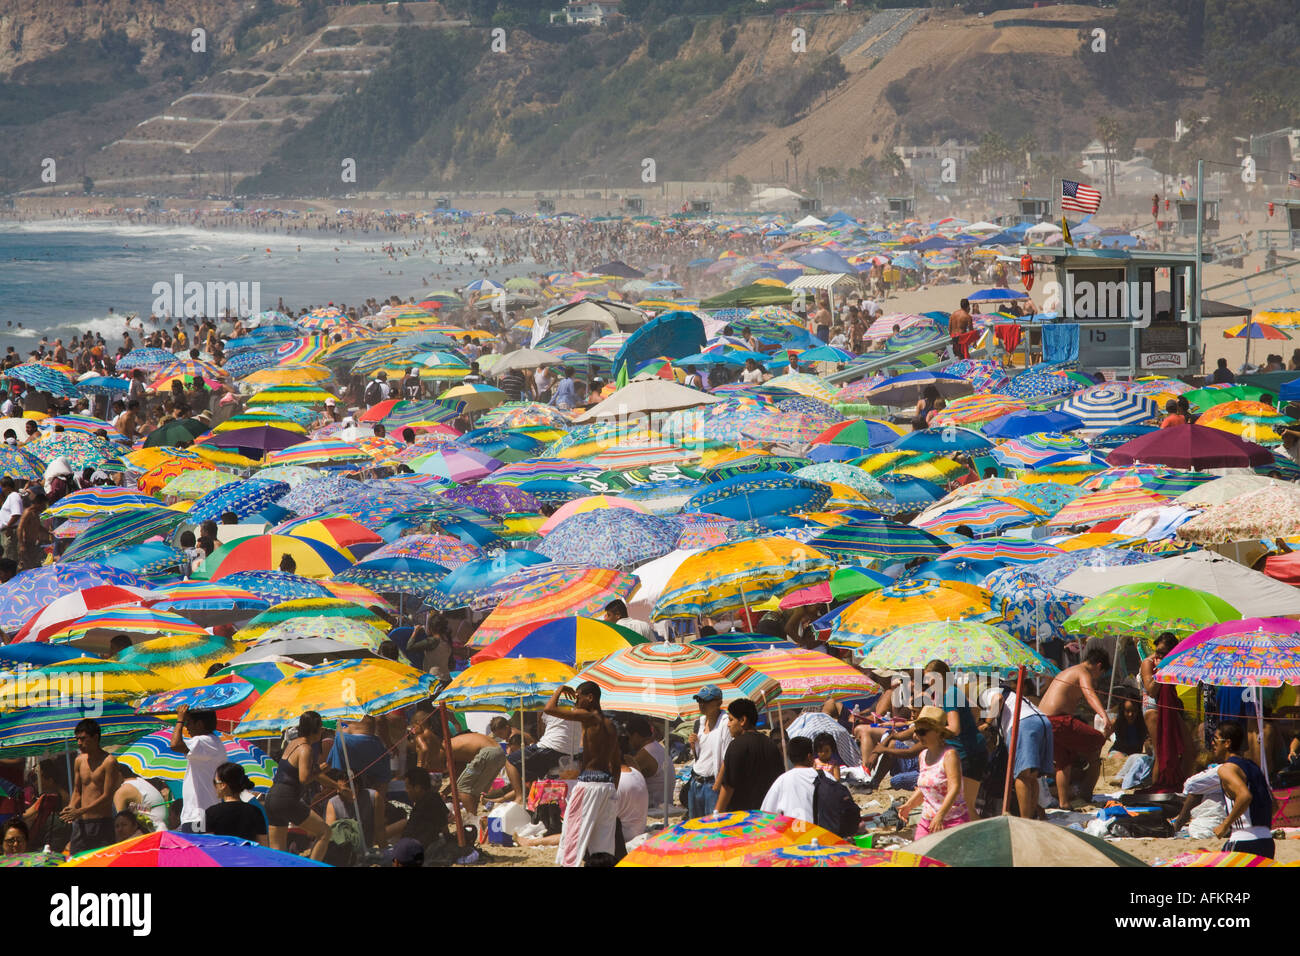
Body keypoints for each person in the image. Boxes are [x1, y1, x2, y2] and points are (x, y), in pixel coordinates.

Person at [542, 681, 621, 867]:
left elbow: (549, 709)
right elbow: (616, 765)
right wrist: (612, 791)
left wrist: (560, 689)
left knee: (573, 837)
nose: (575, 702)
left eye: (578, 697)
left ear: (590, 698)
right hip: (608, 786)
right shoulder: (611, 725)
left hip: (590, 783)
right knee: (603, 845)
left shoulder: (587, 716)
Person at [1038, 648, 1112, 809]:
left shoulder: (1069, 671)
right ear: (1099, 666)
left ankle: (1064, 803)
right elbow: (1089, 694)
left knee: (1063, 762)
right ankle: (1085, 793)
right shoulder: (1082, 672)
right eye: (1101, 673)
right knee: (1098, 739)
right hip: (1057, 720)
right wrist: (1104, 716)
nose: (1097, 678)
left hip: (1045, 721)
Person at [265, 711, 334, 861]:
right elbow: (304, 778)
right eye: (321, 727)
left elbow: (300, 771)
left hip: (272, 797)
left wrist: (334, 784)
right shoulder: (306, 748)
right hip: (286, 798)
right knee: (324, 832)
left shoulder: (293, 744)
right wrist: (321, 770)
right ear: (315, 730)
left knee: (278, 851)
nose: (322, 731)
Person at [897, 706, 970, 837]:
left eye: (923, 731)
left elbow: (955, 787)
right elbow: (925, 787)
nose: (918, 735)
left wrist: (940, 815)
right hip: (927, 820)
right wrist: (909, 804)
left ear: (937, 732)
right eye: (917, 731)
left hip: (952, 821)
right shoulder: (923, 755)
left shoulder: (949, 754)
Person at [1213, 722, 1277, 858]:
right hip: (1266, 842)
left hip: (1243, 841)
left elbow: (1245, 796)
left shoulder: (1226, 769)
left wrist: (1225, 825)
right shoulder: (1254, 767)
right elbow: (1274, 805)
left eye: (1215, 739)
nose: (1212, 743)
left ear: (1227, 743)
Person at [60, 718, 121, 853]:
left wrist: (80, 810)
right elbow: (77, 791)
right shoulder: (79, 761)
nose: (79, 743)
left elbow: (107, 796)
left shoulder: (109, 761)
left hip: (102, 823)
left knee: (102, 861)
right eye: (77, 739)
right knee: (76, 860)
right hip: (81, 824)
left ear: (95, 737)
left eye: (83, 739)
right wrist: (71, 807)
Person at [501, 707, 581, 804]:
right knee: (532, 771)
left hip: (551, 747)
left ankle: (519, 797)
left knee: (510, 761)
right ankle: (530, 798)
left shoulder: (549, 706)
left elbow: (541, 729)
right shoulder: (577, 708)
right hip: (572, 751)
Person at [716, 698, 783, 812]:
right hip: (767, 815)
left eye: (731, 720)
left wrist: (716, 813)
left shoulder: (736, 745)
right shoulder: (770, 744)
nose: (728, 724)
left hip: (742, 818)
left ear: (742, 720)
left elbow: (728, 787)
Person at [169, 706, 227, 833]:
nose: (186, 727)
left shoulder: (205, 741)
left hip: (199, 815)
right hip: (202, 814)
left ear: (200, 724)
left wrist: (179, 720)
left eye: (188, 722)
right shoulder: (212, 742)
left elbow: (175, 744)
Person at [687, 684, 731, 819]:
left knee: (712, 828)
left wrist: (717, 784)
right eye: (699, 700)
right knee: (694, 827)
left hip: (712, 784)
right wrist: (693, 747)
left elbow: (727, 757)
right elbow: (699, 757)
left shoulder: (725, 724)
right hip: (696, 781)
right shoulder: (699, 723)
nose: (701, 704)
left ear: (719, 702)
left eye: (706, 701)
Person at [205, 763, 268, 845]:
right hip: (248, 856)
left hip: (220, 857)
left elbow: (207, 845)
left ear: (223, 785)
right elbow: (263, 846)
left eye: (215, 782)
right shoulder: (255, 811)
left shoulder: (210, 813)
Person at [759, 736, 818, 824]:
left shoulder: (782, 780)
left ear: (790, 757)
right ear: (810, 757)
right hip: (825, 833)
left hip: (795, 833)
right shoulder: (824, 776)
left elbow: (765, 814)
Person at [624, 715, 669, 810]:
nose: (629, 742)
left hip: (656, 807)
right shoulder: (657, 747)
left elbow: (624, 779)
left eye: (629, 737)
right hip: (665, 803)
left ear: (635, 736)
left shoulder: (645, 754)